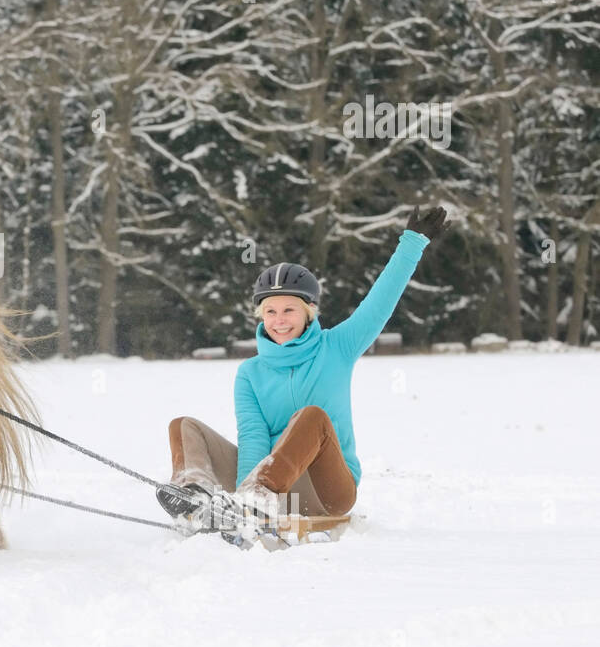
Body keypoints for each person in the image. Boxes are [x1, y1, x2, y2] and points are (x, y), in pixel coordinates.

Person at [157, 206, 452, 533]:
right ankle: (197, 495)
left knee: (311, 417)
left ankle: (255, 500)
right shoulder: (250, 373)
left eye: (289, 310)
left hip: (327, 489)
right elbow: (253, 437)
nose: (279, 320)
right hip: (265, 489)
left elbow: (379, 304)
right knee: (184, 427)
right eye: (270, 311)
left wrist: (412, 243)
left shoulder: (337, 347)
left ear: (309, 312)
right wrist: (244, 492)